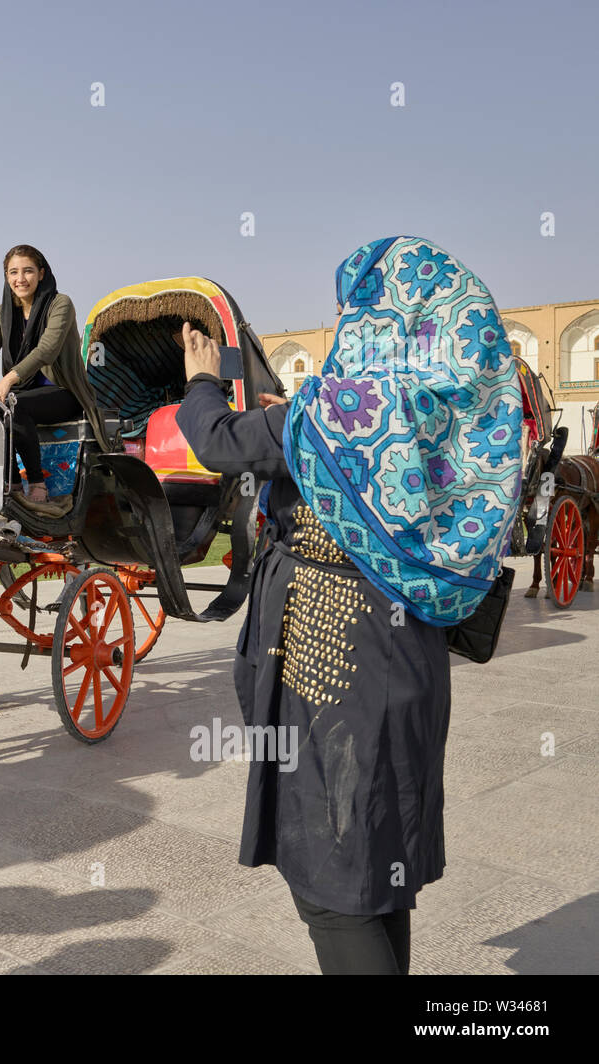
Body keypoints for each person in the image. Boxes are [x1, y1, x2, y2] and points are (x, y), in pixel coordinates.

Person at [176, 237, 522, 974]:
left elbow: (217, 442)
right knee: (375, 880)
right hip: (408, 664)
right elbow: (332, 439)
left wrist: (201, 381)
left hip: (337, 668)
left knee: (331, 887)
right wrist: (300, 420)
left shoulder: (334, 414)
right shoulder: (435, 411)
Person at [0, 245, 112, 510]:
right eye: (14, 272)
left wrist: (9, 379)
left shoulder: (60, 304)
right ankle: (11, 485)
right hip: (23, 393)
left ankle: (37, 484)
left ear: (41, 274)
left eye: (28, 271)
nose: (21, 279)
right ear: (7, 277)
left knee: (14, 405)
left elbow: (47, 349)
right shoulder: (2, 313)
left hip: (64, 392)